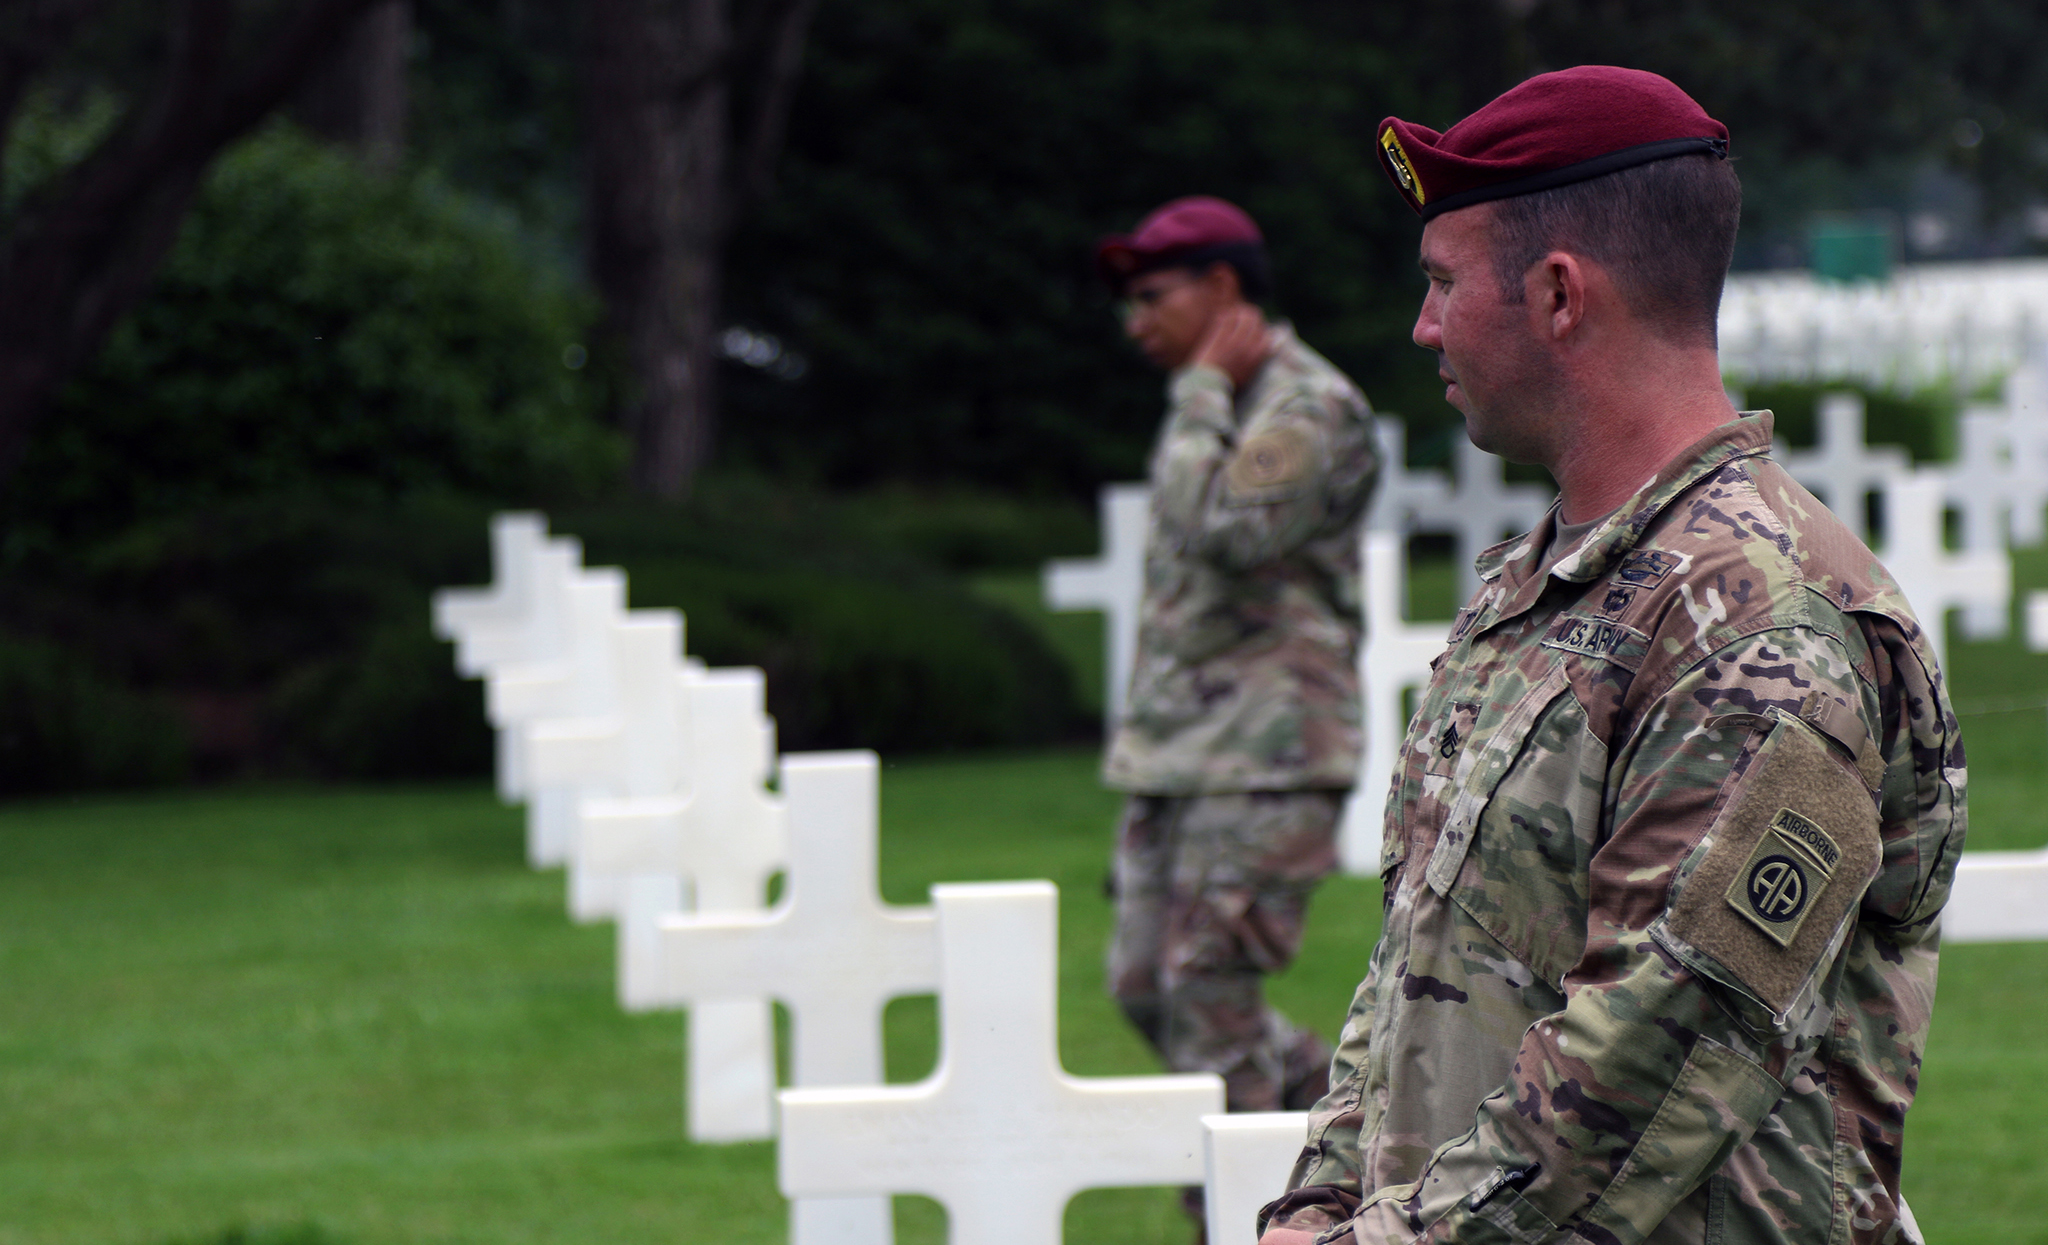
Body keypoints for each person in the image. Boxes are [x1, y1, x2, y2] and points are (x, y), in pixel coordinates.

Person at [1257, 67, 1963, 1245]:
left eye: (1441, 284)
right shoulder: (1542, 587)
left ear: (1557, 295)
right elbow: (1416, 967)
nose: (1421, 323)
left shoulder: (1756, 629)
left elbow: (1652, 1061)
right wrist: (1319, 1198)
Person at [1093, 196, 1380, 1146]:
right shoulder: (1219, 409)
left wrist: (1201, 395)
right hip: (1177, 753)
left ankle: (1245, 1204)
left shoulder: (1309, 405)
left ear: (1222, 286)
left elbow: (1226, 531)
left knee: (1206, 997)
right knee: (1142, 988)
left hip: (1269, 751)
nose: (1134, 325)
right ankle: (1356, 1117)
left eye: (1150, 298)